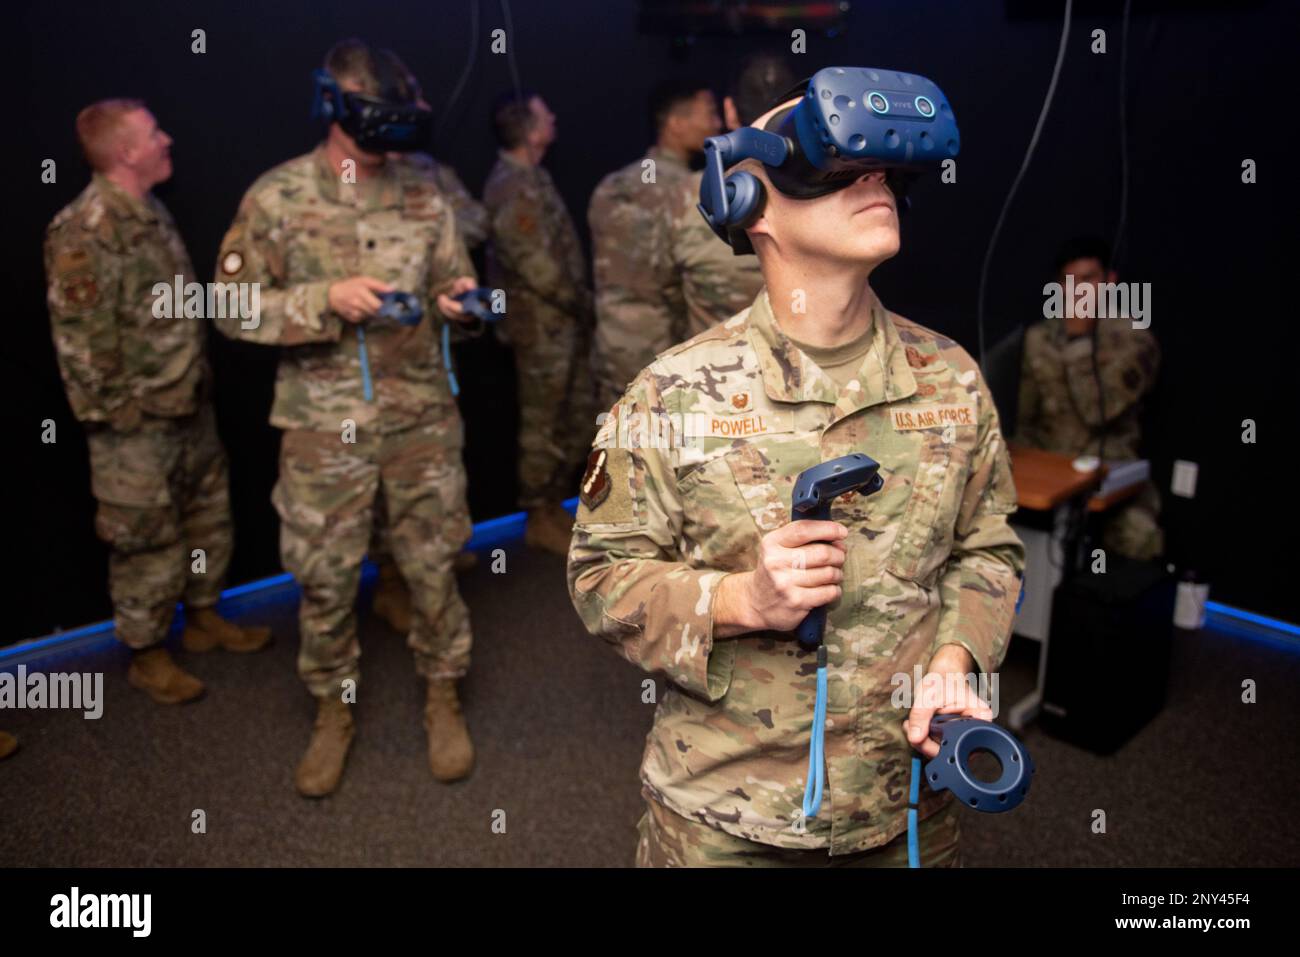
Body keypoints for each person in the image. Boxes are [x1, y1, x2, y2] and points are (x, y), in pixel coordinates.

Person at [567, 86, 1025, 866]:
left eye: (884, 170)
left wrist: (955, 662)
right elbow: (600, 577)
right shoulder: (672, 393)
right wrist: (742, 598)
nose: (874, 182)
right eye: (838, 166)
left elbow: (988, 550)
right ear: (749, 202)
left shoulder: (950, 378)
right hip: (724, 821)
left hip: (904, 809)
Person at [214, 40, 478, 796]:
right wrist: (319, 300)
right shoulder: (277, 197)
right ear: (334, 107)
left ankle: (443, 690)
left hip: (422, 415)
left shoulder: (428, 190)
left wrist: (459, 301)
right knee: (326, 578)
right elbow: (227, 306)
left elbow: (449, 280)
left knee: (433, 564)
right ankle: (334, 705)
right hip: (324, 427)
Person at [44, 98, 269, 707]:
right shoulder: (85, 229)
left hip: (186, 405)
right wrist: (123, 418)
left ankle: (202, 618)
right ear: (125, 152)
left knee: (206, 518)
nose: (167, 140)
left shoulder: (149, 212)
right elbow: (83, 342)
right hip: (135, 425)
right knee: (144, 539)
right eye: (153, 134)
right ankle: (146, 654)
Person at [483, 91, 594, 556]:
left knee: (570, 416)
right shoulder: (511, 186)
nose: (553, 117)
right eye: (544, 113)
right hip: (541, 328)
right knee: (542, 423)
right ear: (529, 130)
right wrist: (583, 302)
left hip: (562, 324)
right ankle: (537, 513)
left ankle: (552, 505)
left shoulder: (533, 176)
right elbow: (536, 266)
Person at [1016, 237, 1163, 560]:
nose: (1079, 291)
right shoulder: (1039, 338)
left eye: (1088, 279)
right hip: (1050, 469)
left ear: (1110, 281)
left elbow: (1097, 412)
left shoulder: (1135, 339)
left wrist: (1079, 337)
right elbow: (1025, 419)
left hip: (1110, 474)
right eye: (1070, 282)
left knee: (1138, 537)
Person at [588, 78, 720, 410]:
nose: (717, 123)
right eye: (709, 113)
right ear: (676, 123)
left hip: (614, 345)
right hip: (669, 349)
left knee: (618, 451)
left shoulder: (613, 185)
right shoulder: (692, 193)